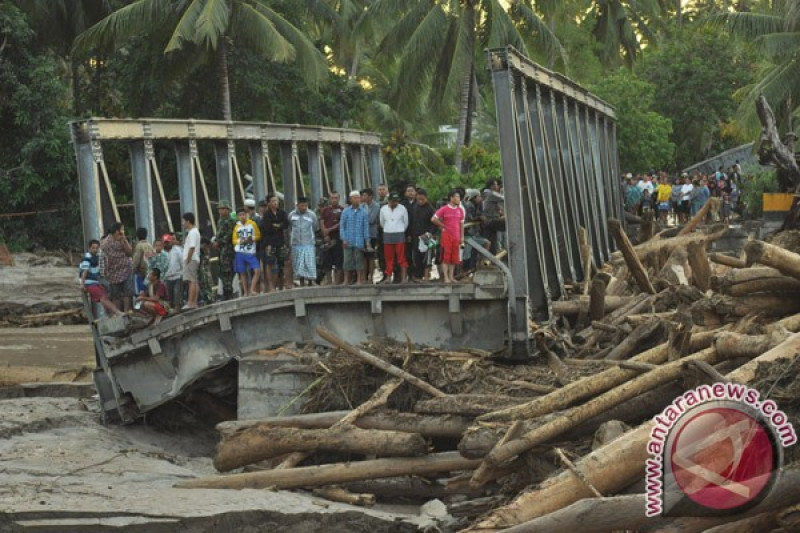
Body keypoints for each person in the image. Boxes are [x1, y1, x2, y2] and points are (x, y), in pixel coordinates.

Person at [79, 239, 123, 317]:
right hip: (89, 283)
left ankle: (111, 315)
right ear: (89, 248)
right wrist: (82, 284)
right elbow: (84, 272)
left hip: (95, 282)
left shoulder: (96, 256)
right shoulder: (87, 258)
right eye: (93, 248)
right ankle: (117, 312)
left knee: (104, 297)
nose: (95, 250)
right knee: (103, 297)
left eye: (97, 248)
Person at [260, 193, 291, 292]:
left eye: (276, 201)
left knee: (286, 261)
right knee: (270, 264)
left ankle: (286, 282)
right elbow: (267, 228)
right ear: (268, 203)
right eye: (273, 201)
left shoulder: (281, 212)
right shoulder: (266, 215)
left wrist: (277, 226)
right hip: (270, 243)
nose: (275, 203)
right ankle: (271, 285)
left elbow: (286, 224)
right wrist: (278, 226)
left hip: (280, 241)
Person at [432, 190, 465, 284]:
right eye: (457, 197)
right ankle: (446, 277)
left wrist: (462, 236)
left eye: (459, 197)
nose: (458, 199)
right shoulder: (444, 209)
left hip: (456, 236)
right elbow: (434, 219)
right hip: (446, 235)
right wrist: (442, 225)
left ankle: (451, 277)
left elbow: (461, 224)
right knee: (445, 257)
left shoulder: (460, 210)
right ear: (451, 198)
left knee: (454, 257)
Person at [100, 222, 133, 312]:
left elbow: (130, 253)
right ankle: (118, 313)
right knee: (115, 295)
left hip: (125, 270)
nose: (123, 231)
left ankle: (126, 312)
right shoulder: (106, 242)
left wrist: (124, 241)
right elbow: (104, 251)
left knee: (127, 292)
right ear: (117, 231)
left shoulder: (122, 240)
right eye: (122, 229)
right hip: (112, 272)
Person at [340, 190, 371, 285]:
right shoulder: (345, 211)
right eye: (355, 198)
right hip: (348, 240)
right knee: (347, 261)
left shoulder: (364, 212)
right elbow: (342, 226)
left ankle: (359, 280)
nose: (357, 199)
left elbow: (366, 228)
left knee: (359, 261)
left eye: (358, 197)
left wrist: (367, 242)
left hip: (359, 240)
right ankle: (346, 280)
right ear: (350, 199)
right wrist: (343, 239)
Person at [289, 197, 319, 286]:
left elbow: (315, 227)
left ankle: (310, 281)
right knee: (298, 264)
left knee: (309, 263)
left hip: (308, 243)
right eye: (302, 206)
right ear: (297, 205)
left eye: (305, 206)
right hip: (296, 243)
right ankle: (301, 281)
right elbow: (289, 228)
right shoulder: (291, 215)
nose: (304, 208)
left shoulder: (312, 215)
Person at [380, 192, 409, 283]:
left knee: (401, 257)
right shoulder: (383, 209)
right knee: (388, 258)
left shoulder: (402, 208)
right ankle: (388, 278)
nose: (395, 203)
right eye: (393, 201)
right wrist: (389, 229)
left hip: (399, 234)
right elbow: (382, 222)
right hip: (387, 234)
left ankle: (404, 278)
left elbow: (406, 223)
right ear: (388, 201)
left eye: (396, 201)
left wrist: (399, 229)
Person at [233, 206, 262, 297]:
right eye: (240, 215)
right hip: (240, 252)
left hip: (251, 252)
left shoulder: (252, 224)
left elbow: (258, 235)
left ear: (247, 215)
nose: (242, 217)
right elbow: (234, 240)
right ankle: (245, 292)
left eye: (244, 215)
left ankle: (252, 288)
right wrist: (241, 241)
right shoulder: (237, 227)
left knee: (257, 270)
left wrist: (251, 239)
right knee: (242, 272)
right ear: (238, 216)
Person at [408, 188, 436, 282]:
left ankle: (426, 276)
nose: (420, 201)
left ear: (426, 198)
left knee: (427, 257)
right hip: (416, 235)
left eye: (422, 199)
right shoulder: (415, 207)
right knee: (416, 256)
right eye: (418, 199)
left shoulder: (430, 209)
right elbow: (411, 222)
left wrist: (430, 233)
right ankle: (418, 276)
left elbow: (434, 223)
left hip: (427, 235)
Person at [320, 192, 344, 285]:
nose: (334, 200)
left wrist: (329, 230)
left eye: (336, 198)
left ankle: (337, 281)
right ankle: (329, 280)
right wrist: (325, 233)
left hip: (338, 236)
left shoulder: (342, 209)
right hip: (327, 237)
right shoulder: (325, 210)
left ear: (339, 198)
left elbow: (341, 223)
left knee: (338, 259)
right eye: (332, 198)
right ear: (330, 199)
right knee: (327, 259)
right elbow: (322, 221)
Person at [214, 200, 236, 301]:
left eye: (223, 209)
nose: (221, 211)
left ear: (227, 210)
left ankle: (229, 291)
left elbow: (229, 235)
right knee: (222, 270)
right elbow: (218, 233)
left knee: (227, 270)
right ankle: (225, 291)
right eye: (220, 209)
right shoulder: (220, 220)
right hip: (221, 249)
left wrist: (220, 242)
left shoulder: (230, 221)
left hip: (228, 248)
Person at [181, 212, 201, 309]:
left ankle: (190, 302)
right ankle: (194, 302)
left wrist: (188, 259)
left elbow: (192, 247)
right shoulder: (194, 232)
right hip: (194, 259)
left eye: (183, 221)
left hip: (191, 259)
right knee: (194, 281)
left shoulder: (192, 232)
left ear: (188, 221)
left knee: (191, 281)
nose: (183, 223)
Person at [361, 188, 381, 283]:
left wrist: (362, 220)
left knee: (371, 257)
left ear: (370, 196)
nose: (363, 197)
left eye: (365, 195)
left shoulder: (376, 206)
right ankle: (364, 277)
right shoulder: (362, 206)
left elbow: (371, 220)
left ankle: (371, 278)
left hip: (372, 234)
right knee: (364, 257)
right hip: (363, 235)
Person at [482, 178, 505, 252]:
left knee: (492, 242)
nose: (497, 186)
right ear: (491, 186)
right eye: (496, 184)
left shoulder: (487, 193)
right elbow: (505, 198)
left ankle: (491, 258)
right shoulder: (491, 193)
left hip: (489, 220)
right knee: (510, 223)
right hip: (490, 220)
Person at [162, 234, 183, 308]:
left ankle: (177, 308)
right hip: (167, 278)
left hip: (177, 276)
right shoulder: (162, 253)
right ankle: (171, 310)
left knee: (177, 293)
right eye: (165, 242)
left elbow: (182, 262)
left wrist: (183, 273)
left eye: (168, 242)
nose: (166, 244)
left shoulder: (177, 250)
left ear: (171, 242)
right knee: (169, 296)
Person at [131, 227, 153, 296]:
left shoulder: (139, 246)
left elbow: (136, 261)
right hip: (150, 273)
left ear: (137, 236)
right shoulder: (150, 245)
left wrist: (133, 270)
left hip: (141, 273)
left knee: (140, 292)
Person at [199, 237, 214, 304]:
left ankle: (209, 297)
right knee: (204, 284)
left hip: (205, 269)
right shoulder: (200, 250)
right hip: (202, 269)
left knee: (207, 283)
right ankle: (206, 298)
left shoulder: (205, 251)